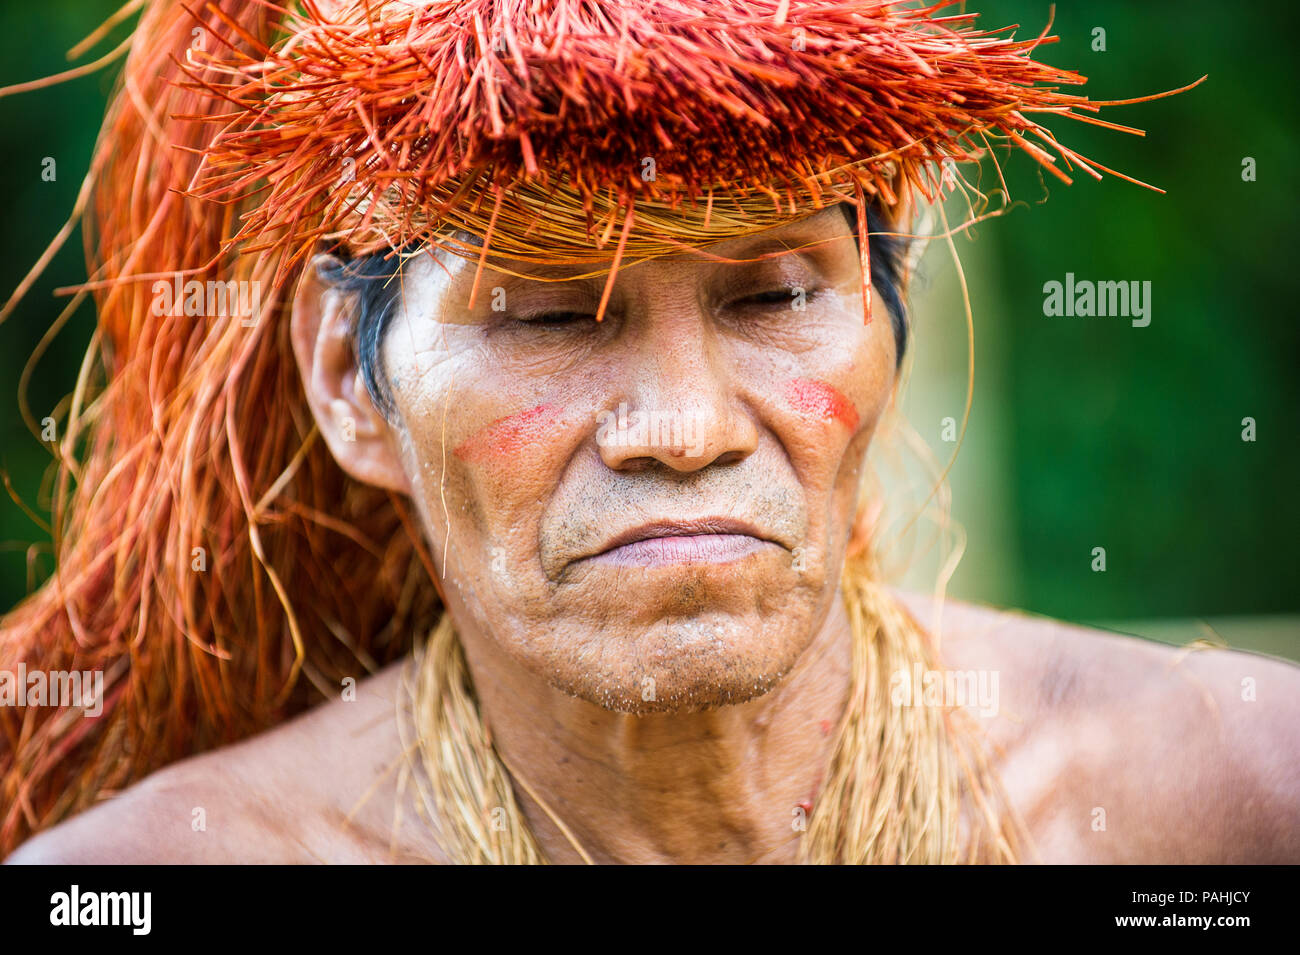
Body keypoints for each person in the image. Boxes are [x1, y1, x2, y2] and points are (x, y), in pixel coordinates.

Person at [2, 0, 1295, 864]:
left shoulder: (1233, 801)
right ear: (350, 379)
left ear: (892, 317)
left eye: (777, 295)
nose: (682, 430)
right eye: (552, 314)